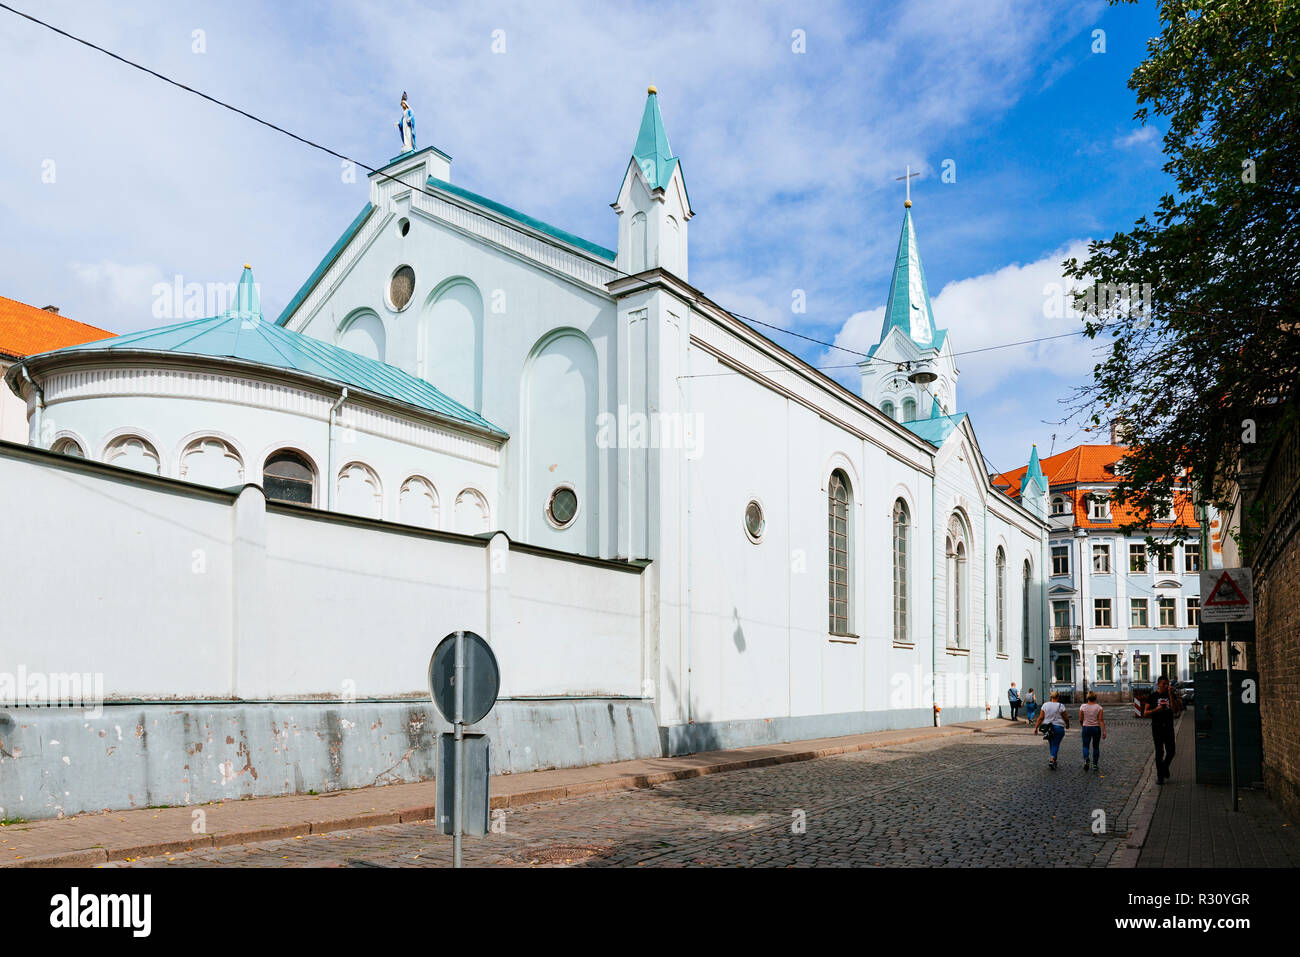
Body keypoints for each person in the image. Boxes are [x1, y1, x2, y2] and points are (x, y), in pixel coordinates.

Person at [1143, 675, 1180, 784]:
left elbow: (1174, 710)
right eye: (1163, 684)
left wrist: (1170, 695)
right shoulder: (1153, 696)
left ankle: (1164, 768)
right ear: (1158, 684)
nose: (1165, 686)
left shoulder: (1170, 695)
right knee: (1159, 752)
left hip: (1168, 727)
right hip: (1157, 727)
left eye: (1167, 684)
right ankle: (1160, 776)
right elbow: (1145, 713)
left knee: (1171, 751)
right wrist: (1156, 709)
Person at [1033, 690, 1070, 770]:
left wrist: (1036, 727)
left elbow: (1041, 718)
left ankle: (1053, 759)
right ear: (1058, 697)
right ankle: (1052, 759)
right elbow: (1066, 718)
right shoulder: (1061, 706)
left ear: (1051, 697)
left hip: (1047, 728)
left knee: (1052, 744)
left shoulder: (1045, 705)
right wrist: (1067, 724)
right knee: (1056, 744)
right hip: (1058, 728)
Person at [1079, 691, 1106, 771]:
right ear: (1095, 698)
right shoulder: (1099, 707)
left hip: (1086, 727)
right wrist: (1104, 731)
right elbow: (1101, 720)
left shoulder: (1083, 707)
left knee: (1085, 745)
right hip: (1096, 728)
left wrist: (1082, 725)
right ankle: (1095, 764)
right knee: (1096, 747)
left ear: (1087, 698)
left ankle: (1086, 759)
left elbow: (1080, 719)